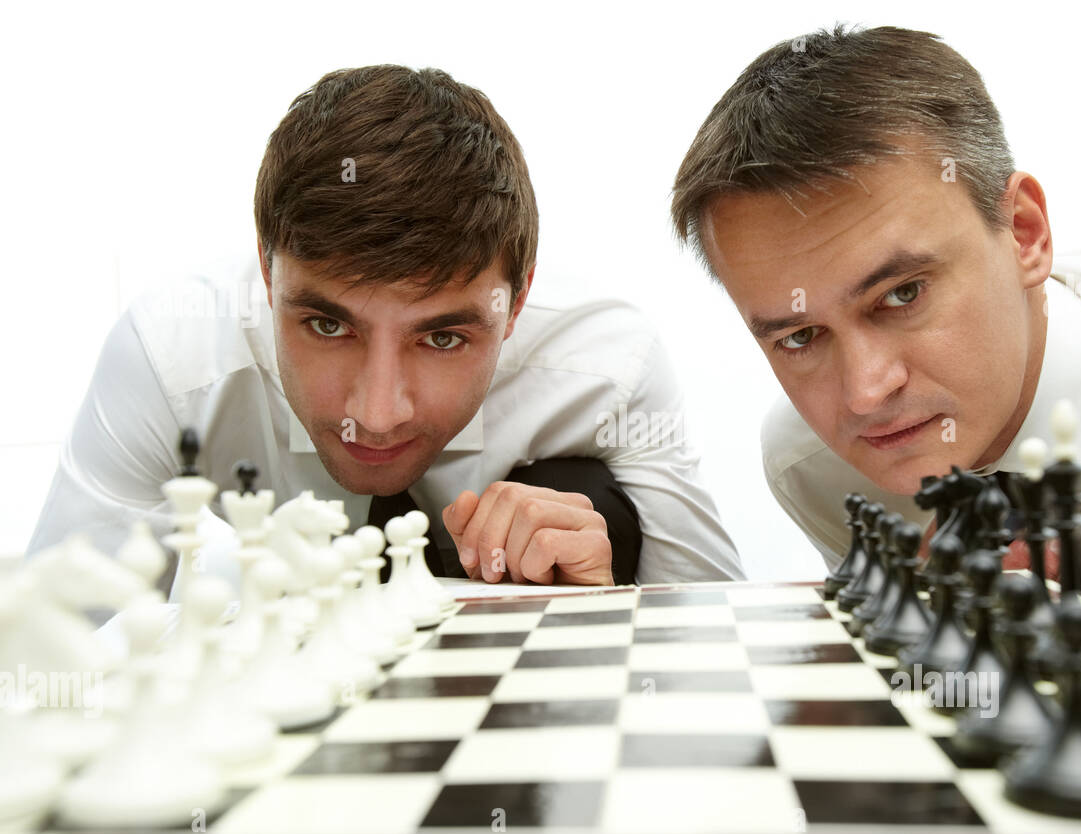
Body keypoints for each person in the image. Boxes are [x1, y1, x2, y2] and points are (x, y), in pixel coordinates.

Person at [29, 64, 744, 595]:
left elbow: (713, 635)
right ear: (266, 273)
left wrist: (608, 606)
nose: (375, 416)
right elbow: (53, 648)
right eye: (325, 324)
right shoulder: (172, 352)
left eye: (442, 338)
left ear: (517, 301)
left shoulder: (606, 365)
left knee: (591, 502)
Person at [670, 25, 1081, 572]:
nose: (866, 393)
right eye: (799, 336)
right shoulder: (812, 467)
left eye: (903, 294)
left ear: (1026, 233)